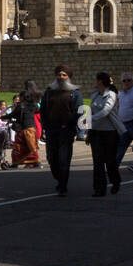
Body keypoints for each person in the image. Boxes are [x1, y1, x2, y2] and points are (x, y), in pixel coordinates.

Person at [41, 65, 83, 196]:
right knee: (51, 159)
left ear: (69, 77)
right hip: (51, 129)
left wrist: (71, 125)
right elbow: (43, 109)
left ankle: (63, 186)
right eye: (59, 74)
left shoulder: (75, 92)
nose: (61, 77)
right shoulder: (49, 91)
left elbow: (79, 111)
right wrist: (45, 125)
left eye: (64, 75)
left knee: (64, 159)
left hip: (66, 130)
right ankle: (60, 179)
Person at [89, 72, 122, 197]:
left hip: (110, 133)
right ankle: (99, 189)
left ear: (100, 81)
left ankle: (115, 181)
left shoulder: (112, 94)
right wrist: (87, 129)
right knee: (97, 162)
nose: (94, 81)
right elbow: (90, 110)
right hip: (96, 132)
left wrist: (91, 118)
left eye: (96, 79)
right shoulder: (94, 95)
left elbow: (106, 111)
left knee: (110, 161)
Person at [9, 83, 41, 167]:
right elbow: (37, 111)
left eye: (20, 96)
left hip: (24, 130)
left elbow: (13, 114)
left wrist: (2, 116)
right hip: (32, 129)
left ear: (23, 97)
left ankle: (17, 163)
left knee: (20, 146)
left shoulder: (21, 105)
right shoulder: (33, 105)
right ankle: (33, 162)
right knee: (30, 147)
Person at [115, 73, 133, 167]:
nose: (126, 82)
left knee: (121, 145)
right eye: (124, 80)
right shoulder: (122, 92)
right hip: (124, 124)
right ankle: (114, 166)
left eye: (129, 80)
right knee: (121, 145)